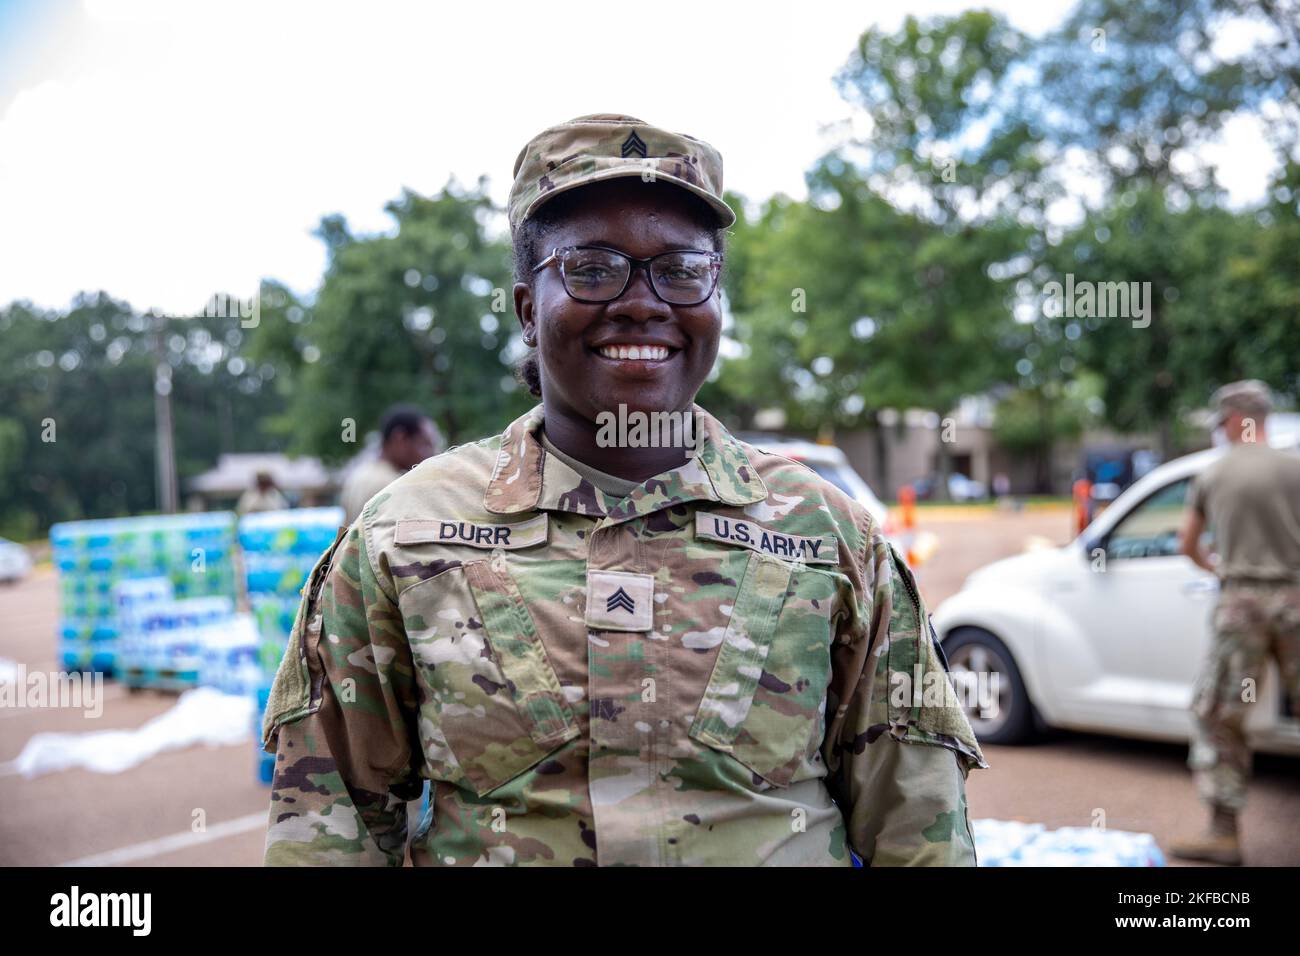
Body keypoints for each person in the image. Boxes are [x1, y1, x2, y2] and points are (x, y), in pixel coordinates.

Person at [260, 114, 985, 867]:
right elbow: (330, 832)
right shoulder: (403, 537)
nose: (642, 301)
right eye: (593, 268)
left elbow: (919, 832)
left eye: (680, 269)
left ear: (715, 301)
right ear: (526, 312)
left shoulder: (830, 535)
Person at [1173, 380, 1300, 865]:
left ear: (1231, 420)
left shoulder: (1214, 474)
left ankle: (1223, 832)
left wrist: (1218, 568)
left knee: (1219, 715)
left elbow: (1188, 545)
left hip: (1240, 604)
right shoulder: (1295, 467)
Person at [339, 405, 442, 525]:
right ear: (400, 439)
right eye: (425, 444)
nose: (431, 454)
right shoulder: (393, 484)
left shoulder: (359, 476)